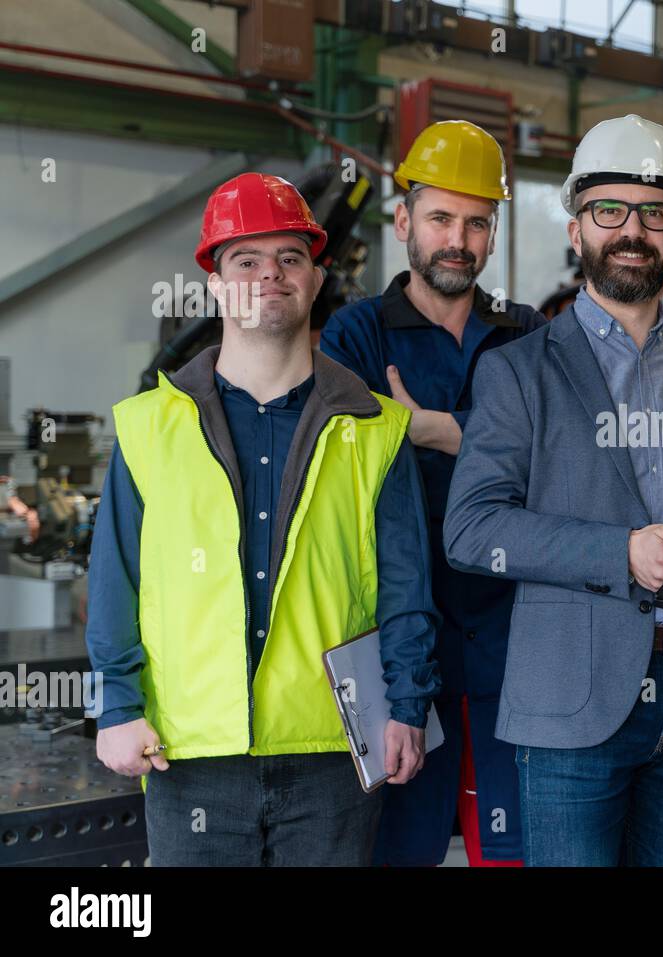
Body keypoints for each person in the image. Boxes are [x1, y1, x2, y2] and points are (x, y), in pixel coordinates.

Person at [85, 172, 439, 866]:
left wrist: (407, 704)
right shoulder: (149, 427)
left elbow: (405, 588)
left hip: (333, 750)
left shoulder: (375, 427)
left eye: (289, 257)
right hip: (189, 752)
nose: (269, 273)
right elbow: (116, 579)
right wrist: (119, 704)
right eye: (245, 259)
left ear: (316, 278)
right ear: (216, 283)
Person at [443, 114, 663, 866]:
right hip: (572, 703)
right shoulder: (518, 370)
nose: (631, 231)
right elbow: (472, 527)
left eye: (653, 213)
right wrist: (621, 552)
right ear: (577, 228)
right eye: (609, 211)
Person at [321, 120, 543, 867]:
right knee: (395, 852)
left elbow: (560, 458)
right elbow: (345, 483)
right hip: (396, 650)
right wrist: (496, 438)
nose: (460, 238)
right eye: (442, 217)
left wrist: (437, 430)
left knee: (513, 853)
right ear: (403, 220)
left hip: (516, 649)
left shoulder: (529, 336)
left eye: (478, 222)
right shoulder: (353, 338)